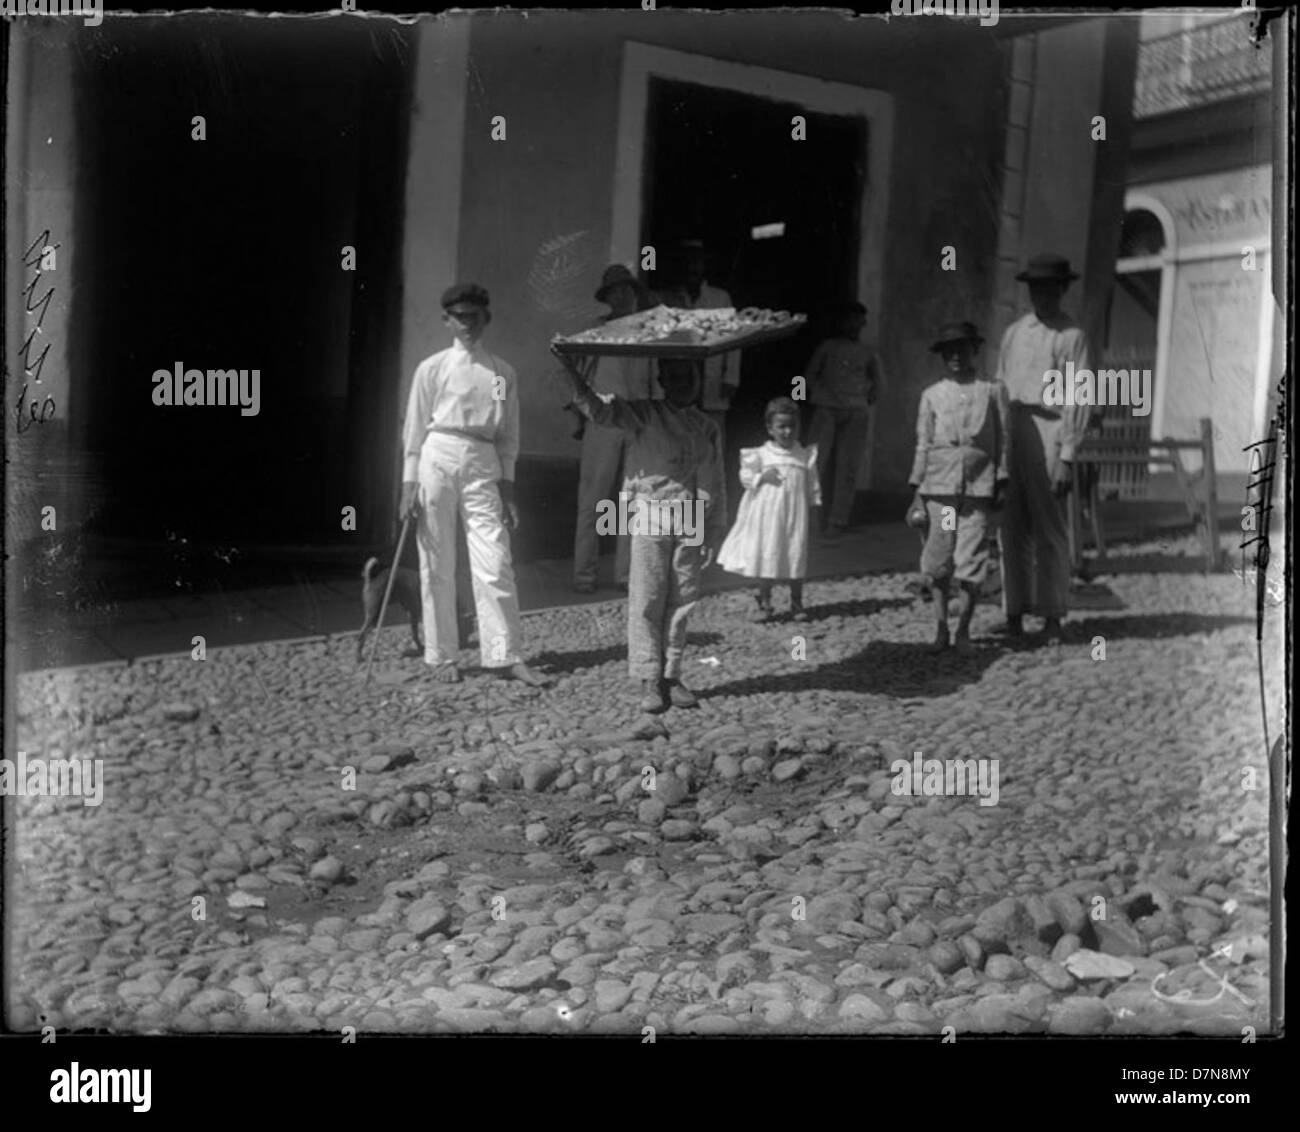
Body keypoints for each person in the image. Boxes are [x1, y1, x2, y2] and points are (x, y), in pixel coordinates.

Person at [398, 283, 551, 686]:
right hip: (438, 455)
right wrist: (408, 483)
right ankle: (441, 655)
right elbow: (414, 430)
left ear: (487, 319)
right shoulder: (432, 369)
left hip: (483, 460)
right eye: (459, 316)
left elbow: (508, 433)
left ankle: (505, 653)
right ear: (446, 319)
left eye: (475, 316)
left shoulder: (500, 373)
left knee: (495, 559)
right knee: (436, 561)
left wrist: (509, 486)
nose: (467, 324)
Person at [557, 350, 725, 714]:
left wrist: (713, 530)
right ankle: (649, 676)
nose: (683, 385)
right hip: (650, 514)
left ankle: (672, 674)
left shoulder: (707, 426)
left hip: (691, 518)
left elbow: (717, 482)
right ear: (662, 381)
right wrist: (570, 367)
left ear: (699, 381)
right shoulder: (642, 415)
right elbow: (595, 408)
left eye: (690, 378)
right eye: (675, 378)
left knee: (682, 601)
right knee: (647, 597)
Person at [995, 253, 1093, 643]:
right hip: (1014, 428)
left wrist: (1068, 456)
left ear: (1063, 289)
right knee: (1010, 526)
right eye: (1037, 288)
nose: (1044, 295)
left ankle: (1052, 614)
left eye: (1051, 288)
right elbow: (1000, 384)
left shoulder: (1072, 337)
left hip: (1051, 427)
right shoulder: (1015, 332)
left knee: (1049, 526)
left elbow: (1079, 397)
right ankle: (1014, 612)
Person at [907, 321, 1011, 654]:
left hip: (977, 493)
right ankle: (940, 629)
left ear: (974, 351)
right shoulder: (933, 395)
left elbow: (1005, 438)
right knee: (940, 558)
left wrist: (1002, 478)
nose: (955, 356)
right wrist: (916, 493)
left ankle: (963, 631)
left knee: (971, 559)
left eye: (962, 349)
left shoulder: (992, 390)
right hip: (942, 495)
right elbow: (922, 444)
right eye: (948, 351)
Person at [571, 264, 658, 594]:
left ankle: (627, 574)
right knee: (593, 499)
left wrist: (653, 416)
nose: (623, 297)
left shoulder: (650, 333)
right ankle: (584, 574)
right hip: (604, 420)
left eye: (628, 290)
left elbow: (655, 381)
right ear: (607, 299)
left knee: (633, 500)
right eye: (615, 292)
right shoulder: (595, 333)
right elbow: (573, 377)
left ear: (636, 294)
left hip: (638, 421)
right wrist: (587, 410)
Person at [717, 396, 821, 622]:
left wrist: (814, 511)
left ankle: (796, 601)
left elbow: (812, 485)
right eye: (781, 426)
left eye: (792, 426)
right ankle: (765, 600)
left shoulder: (804, 455)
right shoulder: (762, 454)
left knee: (795, 554)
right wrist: (762, 476)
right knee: (768, 555)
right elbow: (745, 477)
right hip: (768, 517)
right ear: (770, 428)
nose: (787, 432)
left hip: (795, 517)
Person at [805, 300, 884, 537]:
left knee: (848, 466)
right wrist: (805, 397)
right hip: (826, 408)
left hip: (855, 411)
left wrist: (868, 399)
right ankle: (810, 518)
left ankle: (837, 520)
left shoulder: (868, 351)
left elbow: (879, 382)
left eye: (858, 321)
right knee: (815, 463)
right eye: (850, 320)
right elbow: (807, 375)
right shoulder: (827, 347)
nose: (855, 326)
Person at [660, 239, 741, 449]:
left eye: (698, 263)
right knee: (679, 435)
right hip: (679, 376)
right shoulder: (669, 299)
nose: (693, 268)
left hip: (712, 379)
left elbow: (733, 338)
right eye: (688, 263)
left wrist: (731, 376)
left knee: (712, 437)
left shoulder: (720, 298)